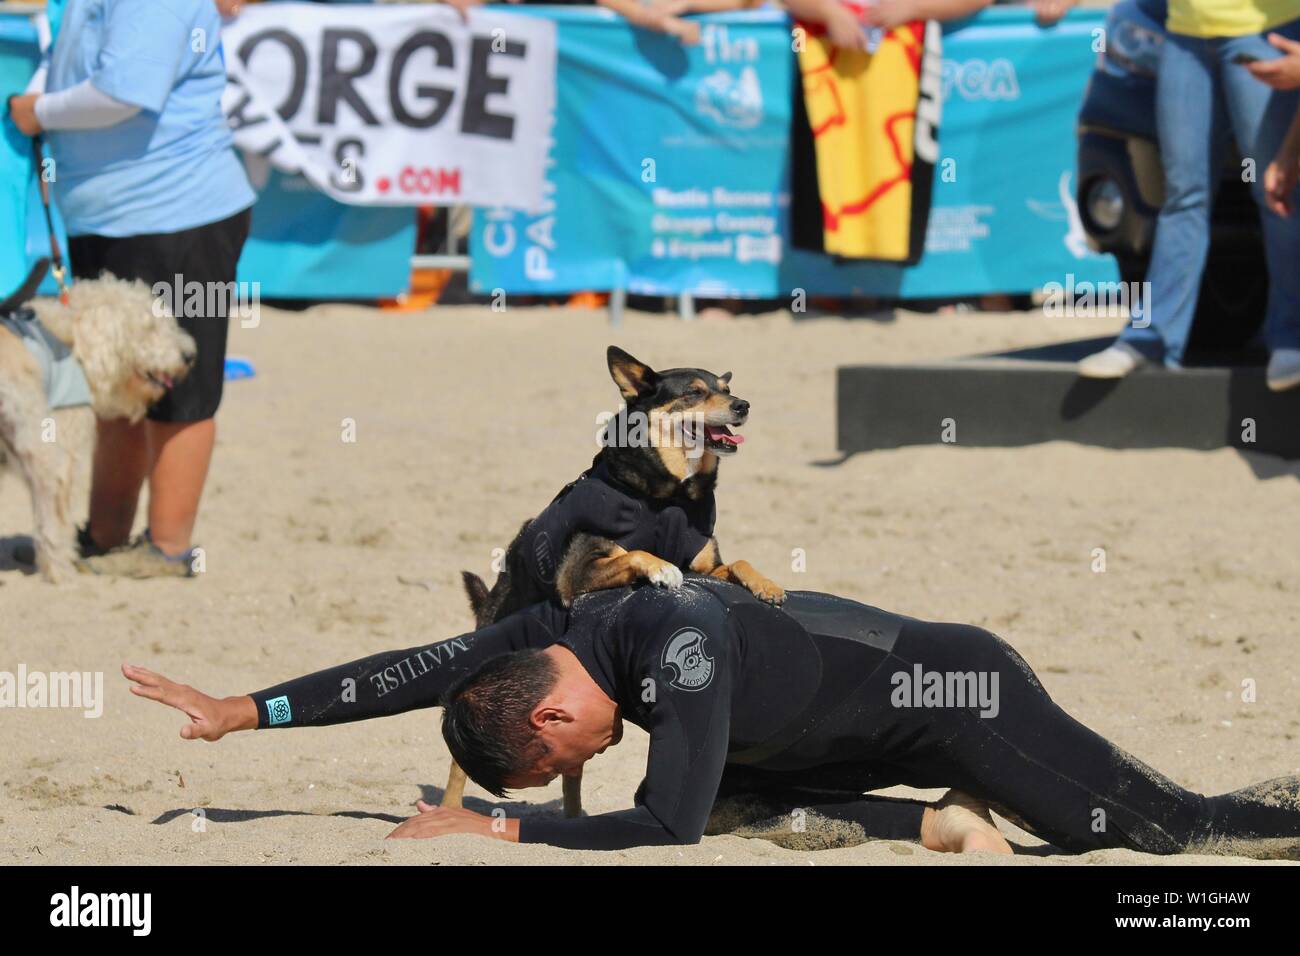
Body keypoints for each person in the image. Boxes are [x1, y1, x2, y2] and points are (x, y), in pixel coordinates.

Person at [127, 577, 1300, 857]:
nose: (581, 765)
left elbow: (668, 819)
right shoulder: (542, 638)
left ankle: (952, 804)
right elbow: (406, 670)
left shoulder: (673, 643)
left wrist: (504, 830)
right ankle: (931, 825)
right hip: (847, 736)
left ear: (550, 719)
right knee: (749, 792)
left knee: (1172, 837)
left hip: (959, 700)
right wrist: (246, 709)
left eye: (555, 768)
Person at [6, 0, 255, 577]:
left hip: (180, 212)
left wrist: (34, 112)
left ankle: (167, 549)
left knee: (180, 384)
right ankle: (106, 537)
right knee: (117, 381)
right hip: (108, 215)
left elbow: (126, 91)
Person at [1077, 0, 1300, 391]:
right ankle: (1152, 338)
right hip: (1183, 33)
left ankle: (1291, 337)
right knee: (1181, 197)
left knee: (1276, 189)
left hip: (1262, 29)